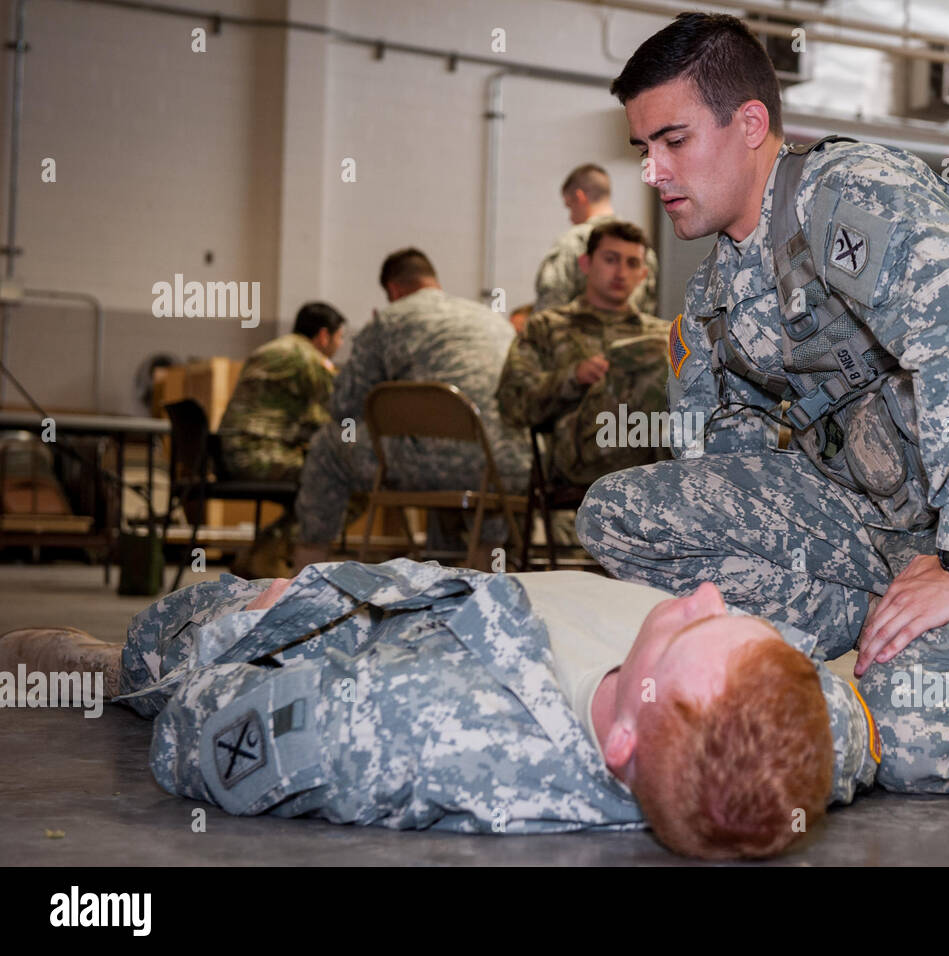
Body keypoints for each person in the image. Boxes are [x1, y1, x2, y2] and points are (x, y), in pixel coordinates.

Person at [577, 12, 949, 775]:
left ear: (751, 122)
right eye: (643, 150)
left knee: (911, 737)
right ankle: (898, 621)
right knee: (618, 516)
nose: (653, 172)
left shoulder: (851, 194)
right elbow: (724, 479)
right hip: (885, 520)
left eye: (673, 141)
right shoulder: (710, 304)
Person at [0, 562, 875, 860]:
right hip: (464, 589)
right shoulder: (795, 724)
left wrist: (261, 621)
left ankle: (97, 665)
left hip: (332, 623)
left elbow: (200, 740)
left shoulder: (410, 733)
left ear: (618, 744)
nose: (705, 595)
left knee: (159, 650)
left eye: (695, 629)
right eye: (736, 624)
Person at [292, 249, 529, 571]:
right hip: (507, 466)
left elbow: (344, 405)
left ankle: (305, 571)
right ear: (433, 280)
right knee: (483, 461)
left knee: (327, 444)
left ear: (393, 290)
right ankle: (486, 567)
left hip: (429, 464)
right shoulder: (492, 319)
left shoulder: (390, 319)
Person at [498, 220, 671, 487]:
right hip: (582, 454)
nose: (621, 272)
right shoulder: (547, 327)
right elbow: (512, 403)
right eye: (611, 259)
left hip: (658, 447)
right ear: (585, 264)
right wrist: (573, 377)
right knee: (658, 359)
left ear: (643, 275)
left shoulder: (662, 332)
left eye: (632, 263)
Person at [217, 302, 346, 577]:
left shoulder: (272, 349)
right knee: (345, 483)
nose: (340, 344)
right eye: (340, 337)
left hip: (231, 455)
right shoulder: (310, 359)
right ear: (324, 336)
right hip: (261, 457)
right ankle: (266, 555)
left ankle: (259, 554)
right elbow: (336, 414)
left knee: (313, 486)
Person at [534, 164, 659, 315]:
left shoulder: (571, 243)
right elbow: (647, 310)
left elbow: (549, 310)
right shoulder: (641, 250)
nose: (570, 217)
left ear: (580, 197)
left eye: (569, 207)